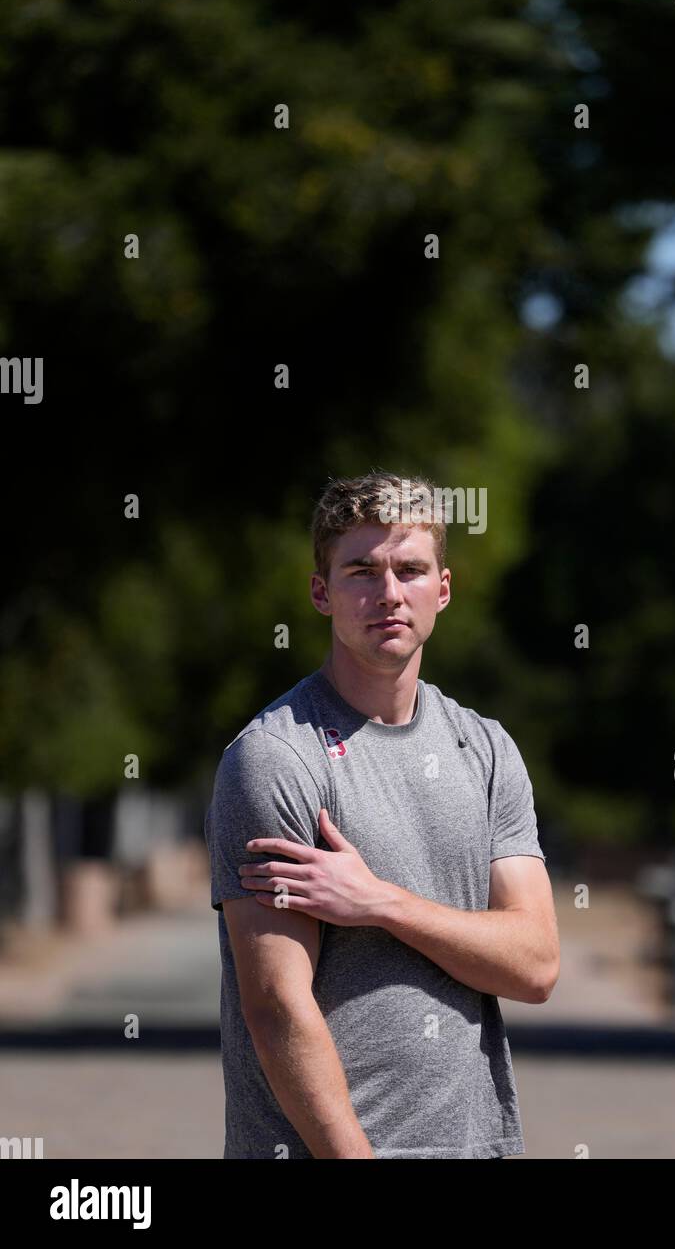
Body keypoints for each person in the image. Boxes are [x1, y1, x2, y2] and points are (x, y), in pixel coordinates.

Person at [205, 470, 559, 1159]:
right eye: (362, 571)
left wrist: (381, 903)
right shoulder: (275, 757)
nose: (389, 593)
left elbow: (536, 965)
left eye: (410, 569)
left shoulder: (485, 748)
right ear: (321, 593)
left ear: (443, 589)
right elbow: (276, 1008)